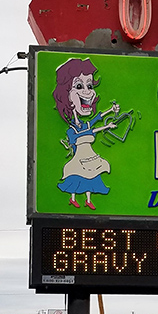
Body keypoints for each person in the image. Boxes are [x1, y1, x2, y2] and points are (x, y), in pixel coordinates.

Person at [53, 57, 119, 209]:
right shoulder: (72, 129)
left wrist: (110, 112)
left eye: (90, 85)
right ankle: (73, 198)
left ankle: (88, 200)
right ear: (67, 97)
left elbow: (96, 119)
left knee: (92, 176)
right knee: (76, 177)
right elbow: (81, 136)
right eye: (78, 86)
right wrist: (106, 127)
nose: (87, 92)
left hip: (89, 156)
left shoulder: (84, 124)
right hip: (79, 158)